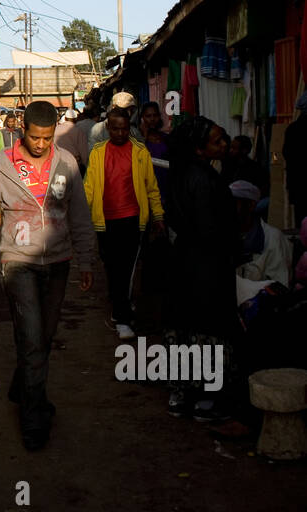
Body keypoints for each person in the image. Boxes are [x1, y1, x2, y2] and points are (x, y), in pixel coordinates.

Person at [0, 100, 95, 451]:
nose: (41, 144)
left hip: (58, 262)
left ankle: (22, 387)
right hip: (17, 262)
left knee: (43, 338)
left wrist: (85, 260)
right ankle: (34, 418)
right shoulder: (0, 167)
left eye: (47, 138)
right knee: (30, 338)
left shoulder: (67, 163)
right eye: (35, 137)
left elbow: (80, 216)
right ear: (21, 130)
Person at [164, 117, 241, 421]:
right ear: (199, 149)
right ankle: (207, 398)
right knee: (207, 327)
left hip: (184, 262)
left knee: (185, 326)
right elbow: (210, 229)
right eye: (217, 141)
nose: (224, 145)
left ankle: (182, 393)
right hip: (205, 266)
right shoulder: (205, 179)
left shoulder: (180, 174)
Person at [84, 108, 164, 339]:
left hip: (133, 220)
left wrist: (157, 216)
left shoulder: (140, 151)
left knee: (126, 269)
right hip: (105, 222)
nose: (120, 133)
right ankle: (122, 304)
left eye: (124, 128)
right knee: (112, 267)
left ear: (130, 128)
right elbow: (89, 187)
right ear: (108, 128)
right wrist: (79, 215)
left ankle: (121, 318)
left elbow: (151, 188)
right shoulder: (98, 153)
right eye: (115, 128)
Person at [231, 180, 291, 287]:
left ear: (251, 205)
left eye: (234, 203)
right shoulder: (222, 236)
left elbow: (279, 287)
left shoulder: (273, 238)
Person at [138, 101, 170, 204]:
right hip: (147, 192)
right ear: (142, 118)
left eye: (155, 115)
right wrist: (144, 136)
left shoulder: (166, 138)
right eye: (148, 116)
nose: (152, 119)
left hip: (166, 190)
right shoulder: (138, 140)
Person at [283, 91, 307, 227]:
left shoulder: (292, 129)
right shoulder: (294, 129)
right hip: (300, 183)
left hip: (297, 185)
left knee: (302, 222)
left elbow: (286, 153)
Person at [53, 108, 87, 172]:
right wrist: (85, 165)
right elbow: (83, 151)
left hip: (58, 161)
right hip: (74, 163)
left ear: (65, 118)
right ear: (76, 119)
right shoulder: (79, 131)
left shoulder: (56, 129)